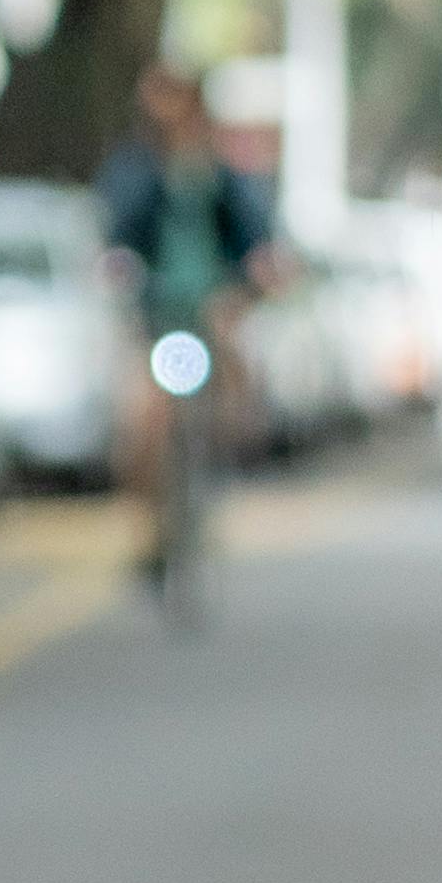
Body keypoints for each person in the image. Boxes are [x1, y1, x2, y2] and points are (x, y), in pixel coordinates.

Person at [92, 64, 273, 542]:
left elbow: (254, 233)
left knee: (236, 374)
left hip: (210, 308)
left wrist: (256, 272)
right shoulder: (134, 169)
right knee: (146, 419)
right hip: (157, 315)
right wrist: (118, 269)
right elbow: (116, 236)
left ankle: (227, 455)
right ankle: (150, 523)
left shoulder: (220, 171)